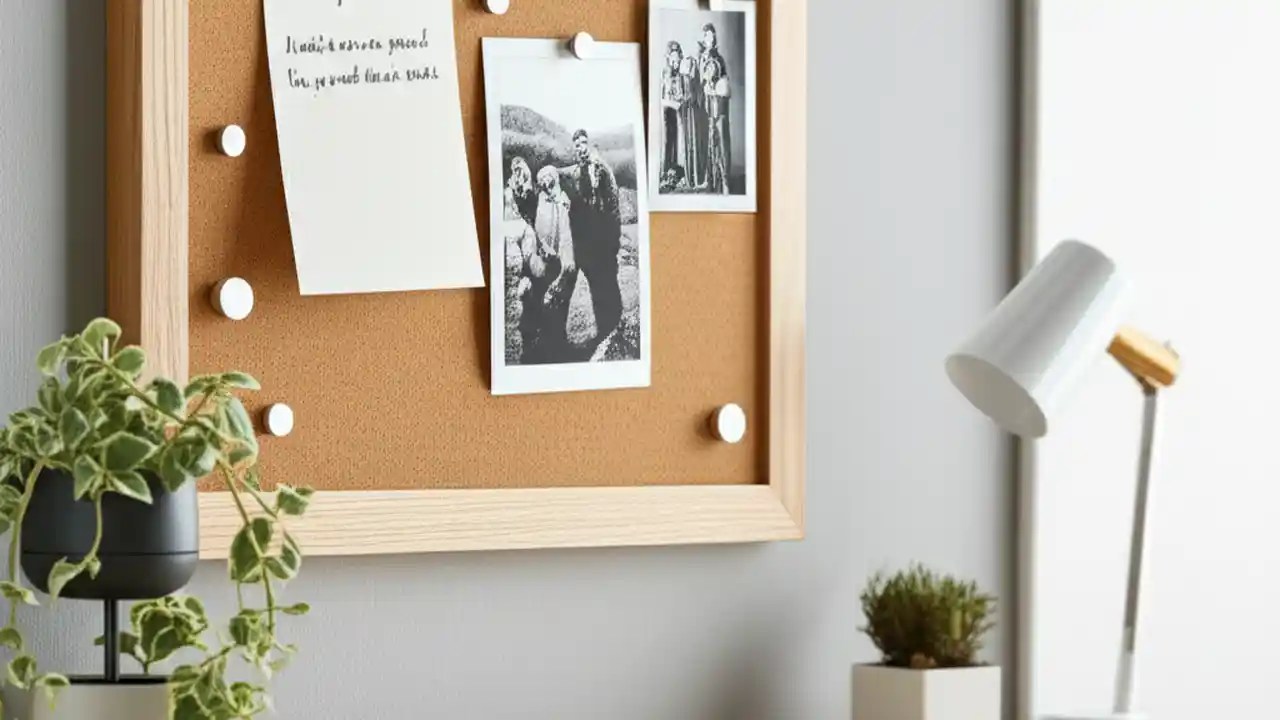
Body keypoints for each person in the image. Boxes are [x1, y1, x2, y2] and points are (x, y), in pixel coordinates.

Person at [558, 130, 623, 346]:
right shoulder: (574, 173)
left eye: (584, 143)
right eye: (577, 144)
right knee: (596, 288)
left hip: (604, 241)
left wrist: (613, 241)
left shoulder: (602, 169)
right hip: (586, 244)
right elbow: (558, 173)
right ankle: (604, 334)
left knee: (608, 285)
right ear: (574, 148)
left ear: (590, 144)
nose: (581, 147)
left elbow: (613, 205)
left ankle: (615, 332)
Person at [698, 23, 733, 194]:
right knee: (709, 141)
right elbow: (700, 82)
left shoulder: (719, 59)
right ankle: (711, 179)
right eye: (706, 36)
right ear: (703, 39)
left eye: (711, 36)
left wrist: (716, 86)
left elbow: (724, 84)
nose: (709, 39)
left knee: (722, 141)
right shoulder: (701, 58)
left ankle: (725, 181)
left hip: (719, 105)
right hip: (707, 104)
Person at [659, 41, 686, 178]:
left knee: (677, 138)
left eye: (677, 56)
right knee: (669, 139)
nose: (675, 59)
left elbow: (680, 92)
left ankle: (674, 167)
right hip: (669, 109)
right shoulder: (666, 73)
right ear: (668, 57)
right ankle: (667, 169)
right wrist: (673, 103)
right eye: (673, 56)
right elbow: (662, 97)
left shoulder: (679, 73)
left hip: (677, 109)